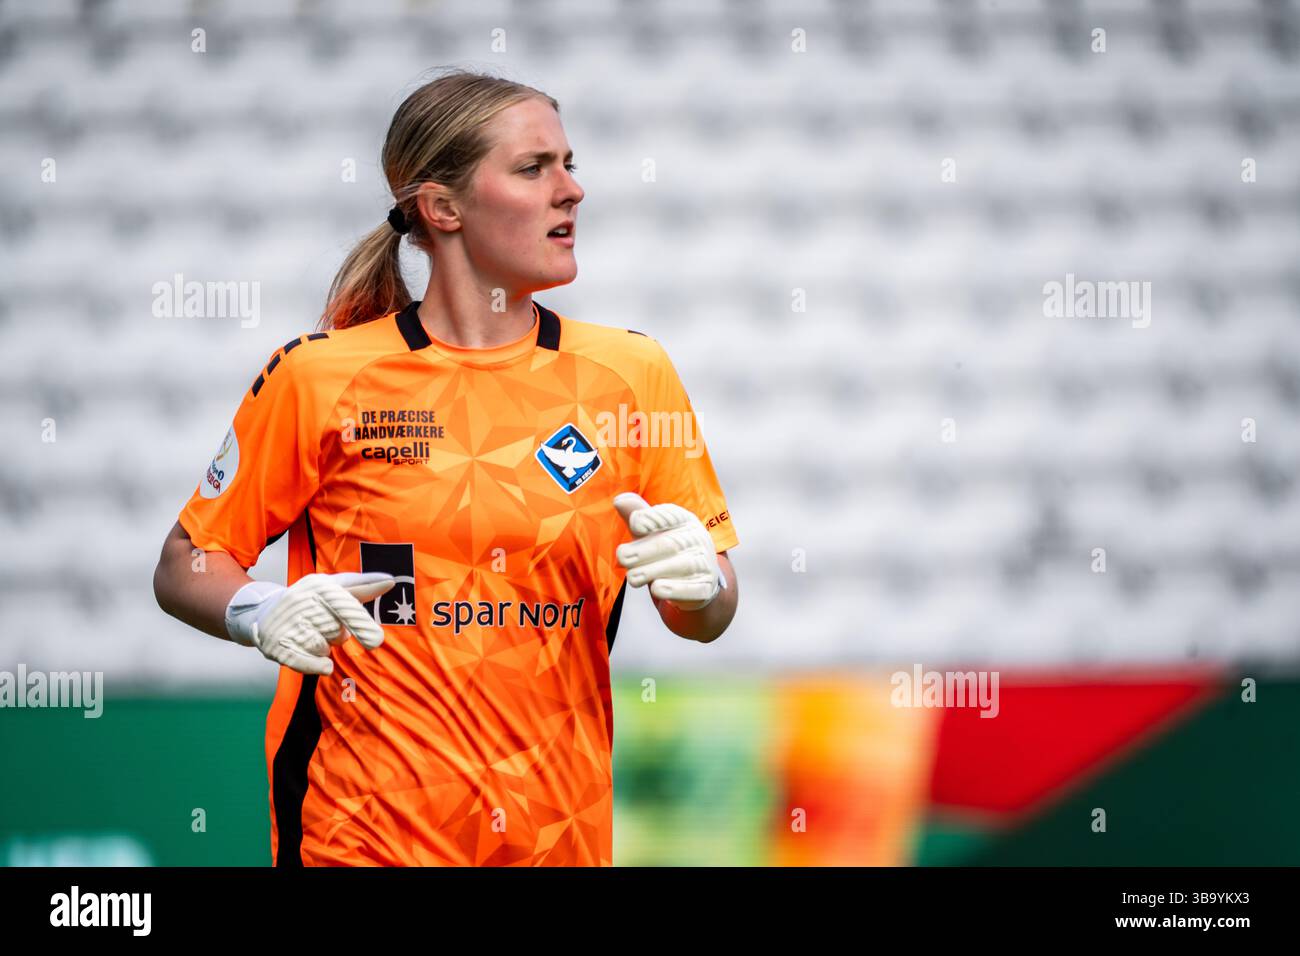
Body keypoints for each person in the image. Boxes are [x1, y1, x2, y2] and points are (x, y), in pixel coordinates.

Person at [152, 68, 739, 866]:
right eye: (534, 168)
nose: (573, 190)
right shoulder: (318, 375)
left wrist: (703, 584)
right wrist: (258, 609)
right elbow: (185, 563)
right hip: (355, 837)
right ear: (442, 207)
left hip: (554, 841)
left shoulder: (631, 373)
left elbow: (702, 617)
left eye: (571, 163)